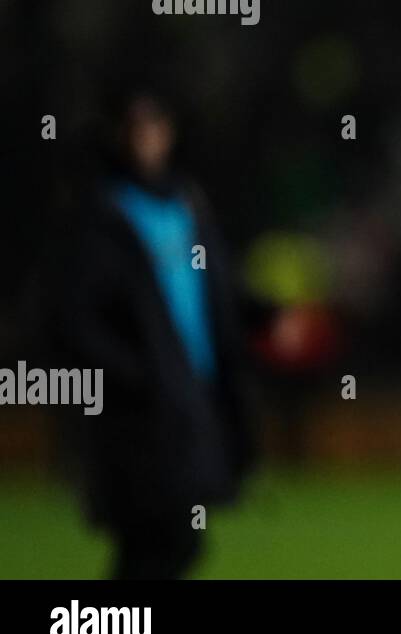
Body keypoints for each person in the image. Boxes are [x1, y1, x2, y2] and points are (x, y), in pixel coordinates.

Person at [51, 83, 260, 579]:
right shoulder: (100, 214)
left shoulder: (187, 205)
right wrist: (137, 376)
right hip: (139, 415)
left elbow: (218, 295)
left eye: (155, 124)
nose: (147, 137)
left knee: (178, 542)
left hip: (192, 402)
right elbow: (75, 321)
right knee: (154, 541)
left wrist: (266, 318)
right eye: (135, 125)